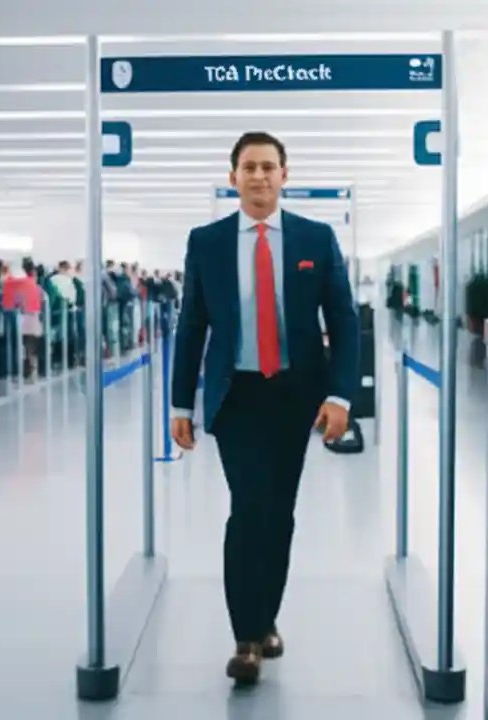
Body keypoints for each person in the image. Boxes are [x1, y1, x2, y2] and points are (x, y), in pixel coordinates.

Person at [168, 131, 359, 686]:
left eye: (268, 166)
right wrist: (181, 402)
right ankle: (246, 638)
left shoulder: (315, 238)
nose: (258, 176)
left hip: (296, 396)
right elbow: (192, 324)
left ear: (284, 175)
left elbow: (343, 319)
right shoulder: (206, 241)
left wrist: (340, 395)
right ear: (233, 177)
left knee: (280, 512)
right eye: (248, 167)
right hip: (238, 396)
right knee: (249, 507)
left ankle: (266, 616)